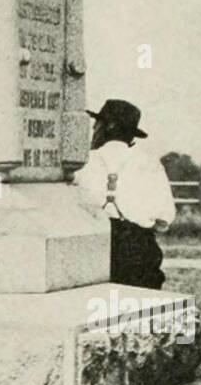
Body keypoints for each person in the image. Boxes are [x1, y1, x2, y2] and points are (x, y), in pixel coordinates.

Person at [74, 98, 176, 289]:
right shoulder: (149, 163)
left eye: (97, 125)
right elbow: (165, 216)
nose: (94, 130)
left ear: (109, 126)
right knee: (142, 306)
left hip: (95, 244)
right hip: (138, 247)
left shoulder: (85, 163)